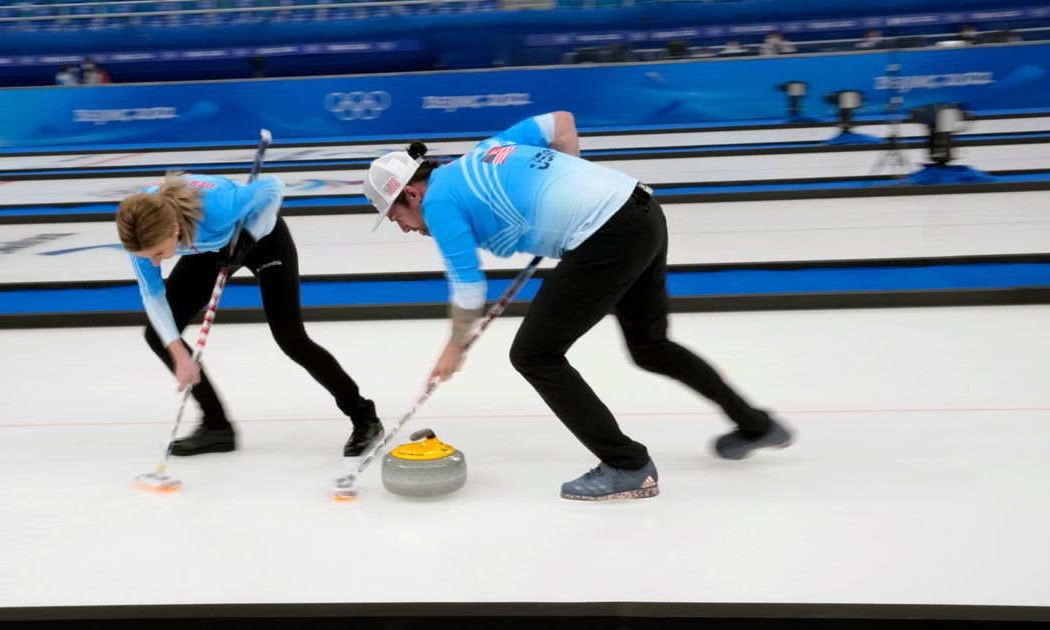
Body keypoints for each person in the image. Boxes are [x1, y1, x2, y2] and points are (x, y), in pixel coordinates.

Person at [362, 112, 793, 501]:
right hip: (640, 210)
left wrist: (454, 349)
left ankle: (628, 467)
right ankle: (757, 425)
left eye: (395, 216)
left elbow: (469, 289)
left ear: (412, 195)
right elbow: (561, 124)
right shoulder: (485, 151)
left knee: (534, 355)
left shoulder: (439, 204)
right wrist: (573, 183)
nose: (402, 228)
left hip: (607, 236)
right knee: (651, 347)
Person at [116, 171, 383, 457]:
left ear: (173, 229)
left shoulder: (218, 206)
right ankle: (217, 427)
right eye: (148, 257)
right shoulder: (140, 235)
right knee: (160, 336)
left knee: (291, 338)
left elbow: (272, 188)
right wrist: (179, 353)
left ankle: (364, 416)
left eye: (158, 254)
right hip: (212, 247)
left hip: (262, 236)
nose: (154, 262)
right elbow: (152, 294)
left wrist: (247, 237)